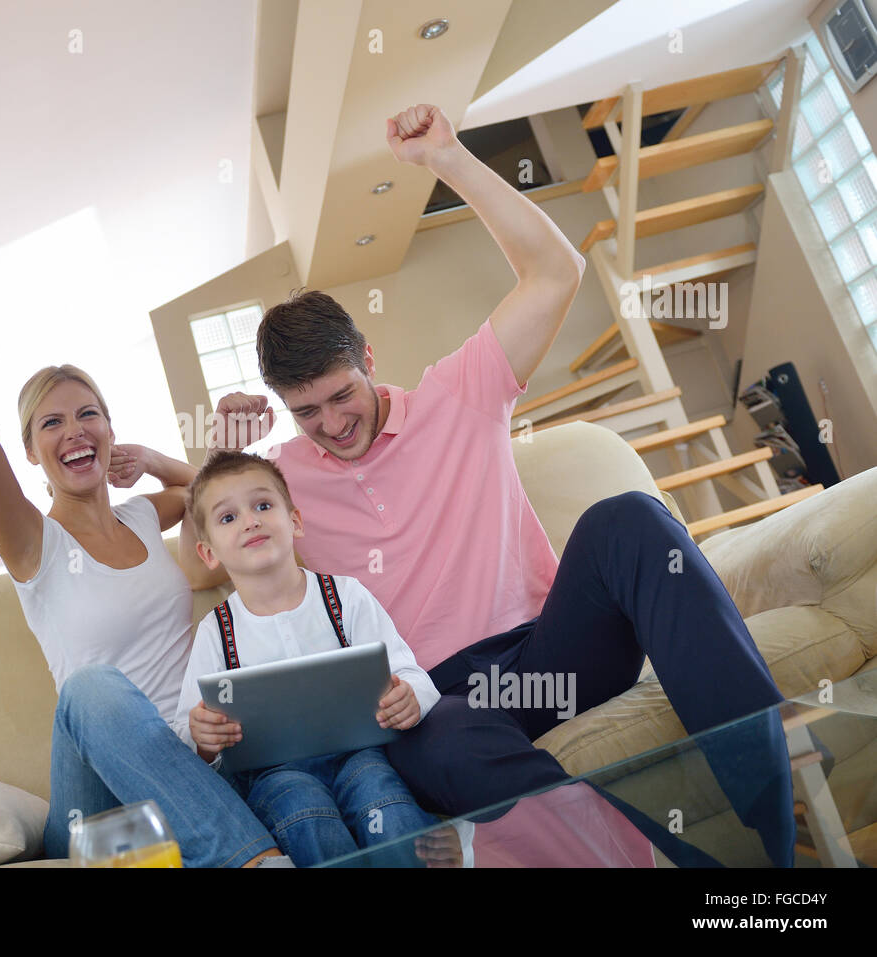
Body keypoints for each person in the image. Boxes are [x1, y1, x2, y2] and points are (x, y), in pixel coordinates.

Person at [211, 103, 794, 866]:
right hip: (438, 702)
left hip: (552, 652)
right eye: (307, 411)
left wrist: (449, 158)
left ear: (368, 356)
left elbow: (559, 270)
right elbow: (206, 555)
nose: (332, 423)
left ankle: (775, 820)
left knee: (629, 520)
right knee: (444, 740)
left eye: (342, 394)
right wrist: (225, 458)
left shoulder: (460, 392)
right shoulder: (276, 486)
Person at [0, 214, 289, 867]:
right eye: (52, 422)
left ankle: (238, 838)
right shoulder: (30, 542)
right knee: (88, 688)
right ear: (30, 451)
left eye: (87, 414)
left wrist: (157, 457)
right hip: (101, 807)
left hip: (196, 773)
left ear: (109, 429)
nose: (74, 431)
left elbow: (215, 495)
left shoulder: (138, 517)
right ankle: (254, 859)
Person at [173, 450, 454, 867]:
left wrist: (409, 696)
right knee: (302, 811)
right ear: (208, 553)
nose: (250, 520)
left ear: (295, 522)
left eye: (263, 506)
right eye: (228, 517)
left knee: (383, 798)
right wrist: (203, 737)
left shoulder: (346, 595)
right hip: (274, 775)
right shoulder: (217, 629)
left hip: (362, 755)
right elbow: (186, 727)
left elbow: (409, 672)